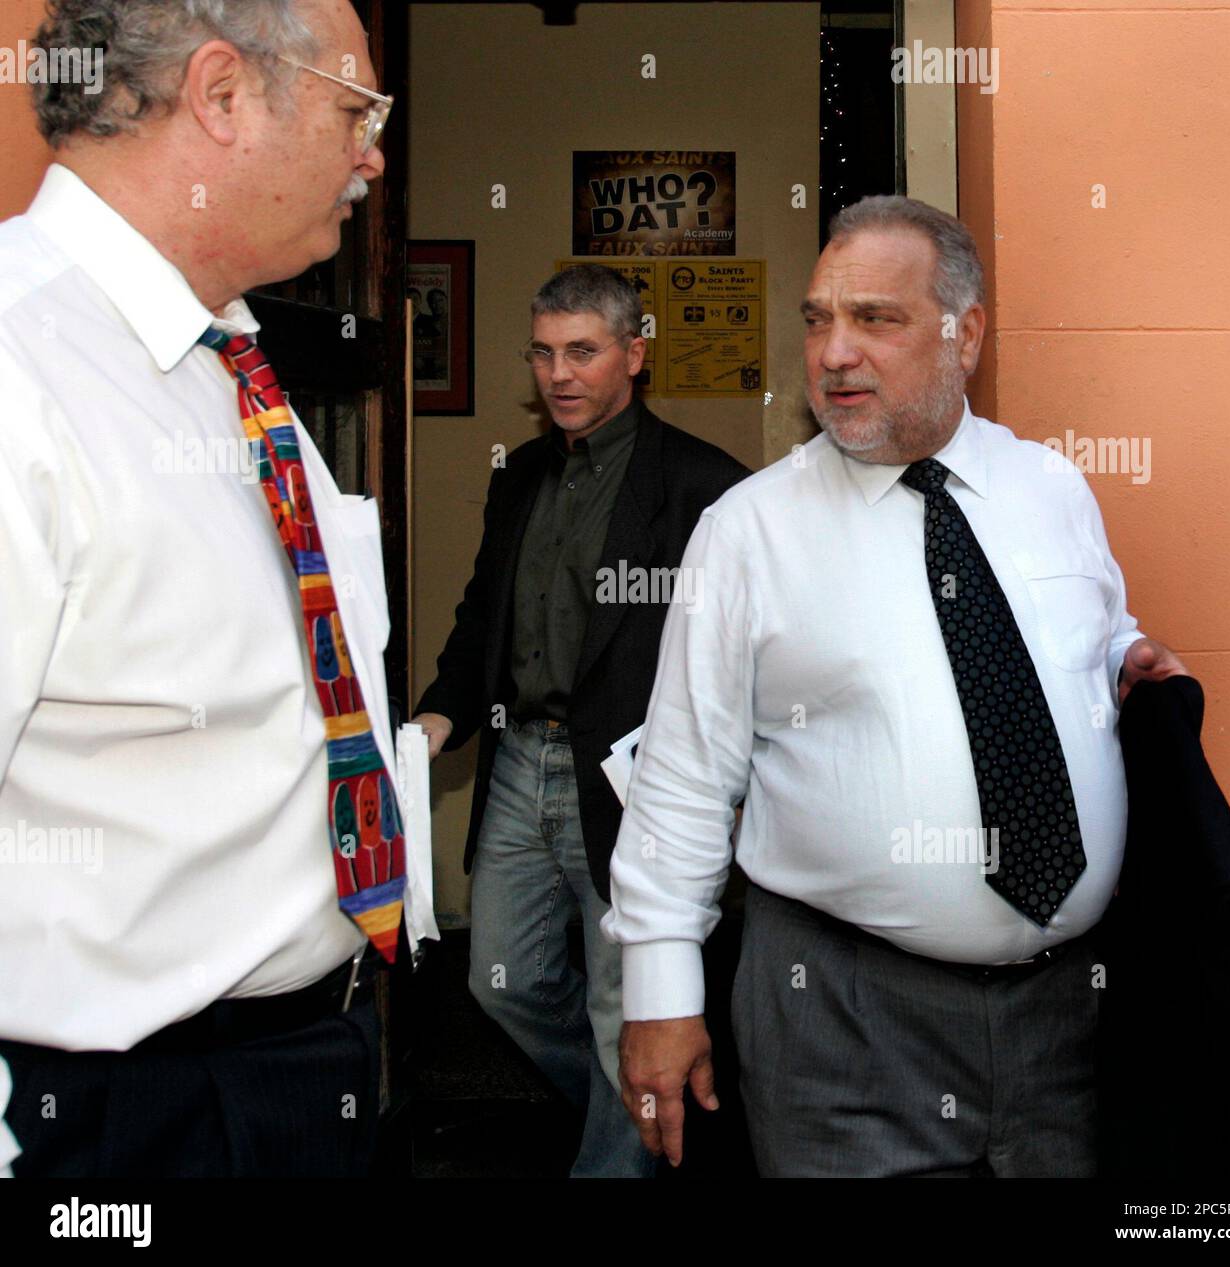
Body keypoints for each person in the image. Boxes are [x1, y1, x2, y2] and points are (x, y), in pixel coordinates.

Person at [603, 195, 1189, 1177]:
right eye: (817, 319)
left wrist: (1130, 661)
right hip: (842, 1026)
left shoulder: (1051, 489)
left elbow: (1095, 636)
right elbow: (683, 775)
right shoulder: (747, 532)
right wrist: (661, 995)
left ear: (965, 335)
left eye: (874, 319)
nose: (834, 352)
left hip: (1072, 1020)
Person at [0, 0, 401, 1177]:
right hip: (117, 1121)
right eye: (353, 110)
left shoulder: (228, 362)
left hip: (298, 1069)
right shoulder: (19, 367)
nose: (372, 154)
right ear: (223, 95)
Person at [413, 264, 749, 1177]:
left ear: (633, 355)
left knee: (623, 1000)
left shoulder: (703, 485)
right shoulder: (518, 474)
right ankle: (640, 1111)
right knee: (499, 980)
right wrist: (441, 714)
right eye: (544, 353)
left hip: (634, 778)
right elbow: (485, 611)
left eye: (583, 352)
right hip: (520, 764)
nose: (559, 374)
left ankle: (616, 1149)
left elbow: (740, 650)